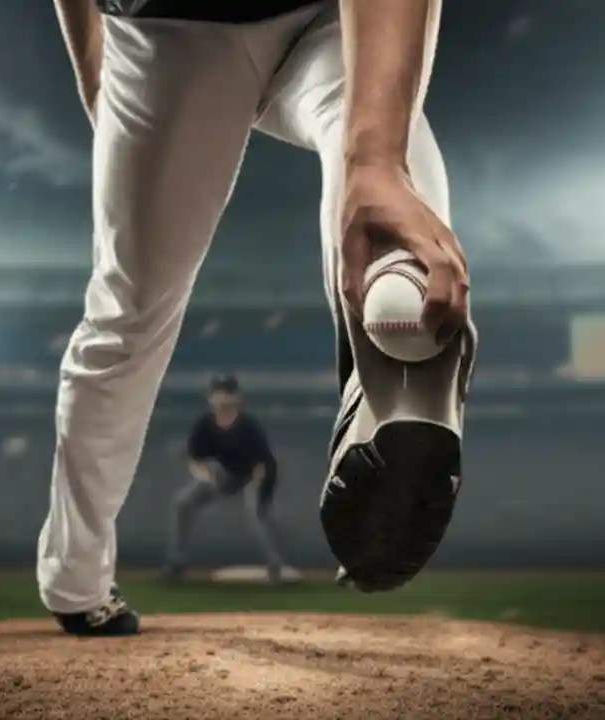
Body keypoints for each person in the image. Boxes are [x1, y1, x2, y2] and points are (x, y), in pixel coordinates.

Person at [39, 0, 475, 636]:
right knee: (128, 310)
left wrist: (375, 159)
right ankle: (401, 329)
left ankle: (399, 345)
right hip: (165, 25)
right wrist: (94, 65)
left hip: (319, 17)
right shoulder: (223, 427)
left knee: (127, 320)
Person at [164, 374, 284, 583]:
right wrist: (206, 477)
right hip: (221, 477)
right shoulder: (205, 424)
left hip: (252, 476)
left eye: (228, 394)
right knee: (182, 503)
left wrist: (255, 489)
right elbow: (195, 460)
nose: (223, 399)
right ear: (210, 398)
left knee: (256, 513)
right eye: (218, 394)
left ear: (237, 398)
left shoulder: (247, 426)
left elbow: (262, 465)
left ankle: (275, 564)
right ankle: (176, 562)